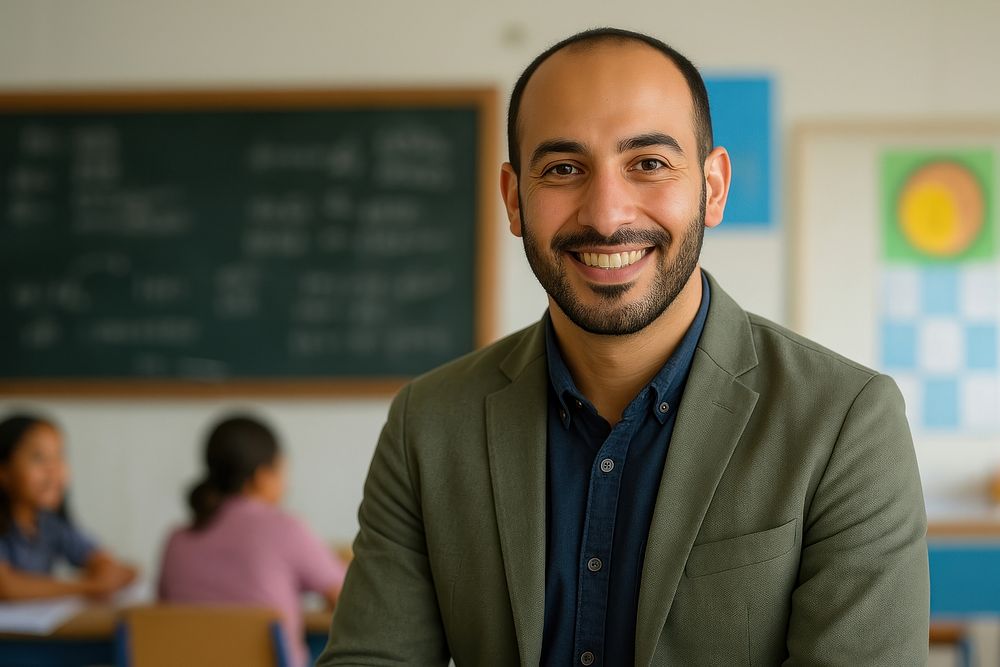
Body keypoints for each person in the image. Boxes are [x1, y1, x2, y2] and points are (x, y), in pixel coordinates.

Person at [318, 27, 929, 665]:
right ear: (512, 198)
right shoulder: (429, 422)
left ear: (713, 188)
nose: (607, 215)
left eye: (649, 164)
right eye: (562, 169)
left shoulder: (846, 420)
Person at [157, 414, 346, 667]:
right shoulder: (284, 528)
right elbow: (349, 600)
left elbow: (163, 618)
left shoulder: (176, 541)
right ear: (262, 476)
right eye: (282, 471)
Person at [0, 413, 137, 600]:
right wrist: (91, 585)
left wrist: (104, 570)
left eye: (59, 456)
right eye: (38, 458)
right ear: (4, 471)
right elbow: (6, 586)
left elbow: (112, 564)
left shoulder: (50, 524)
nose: (53, 470)